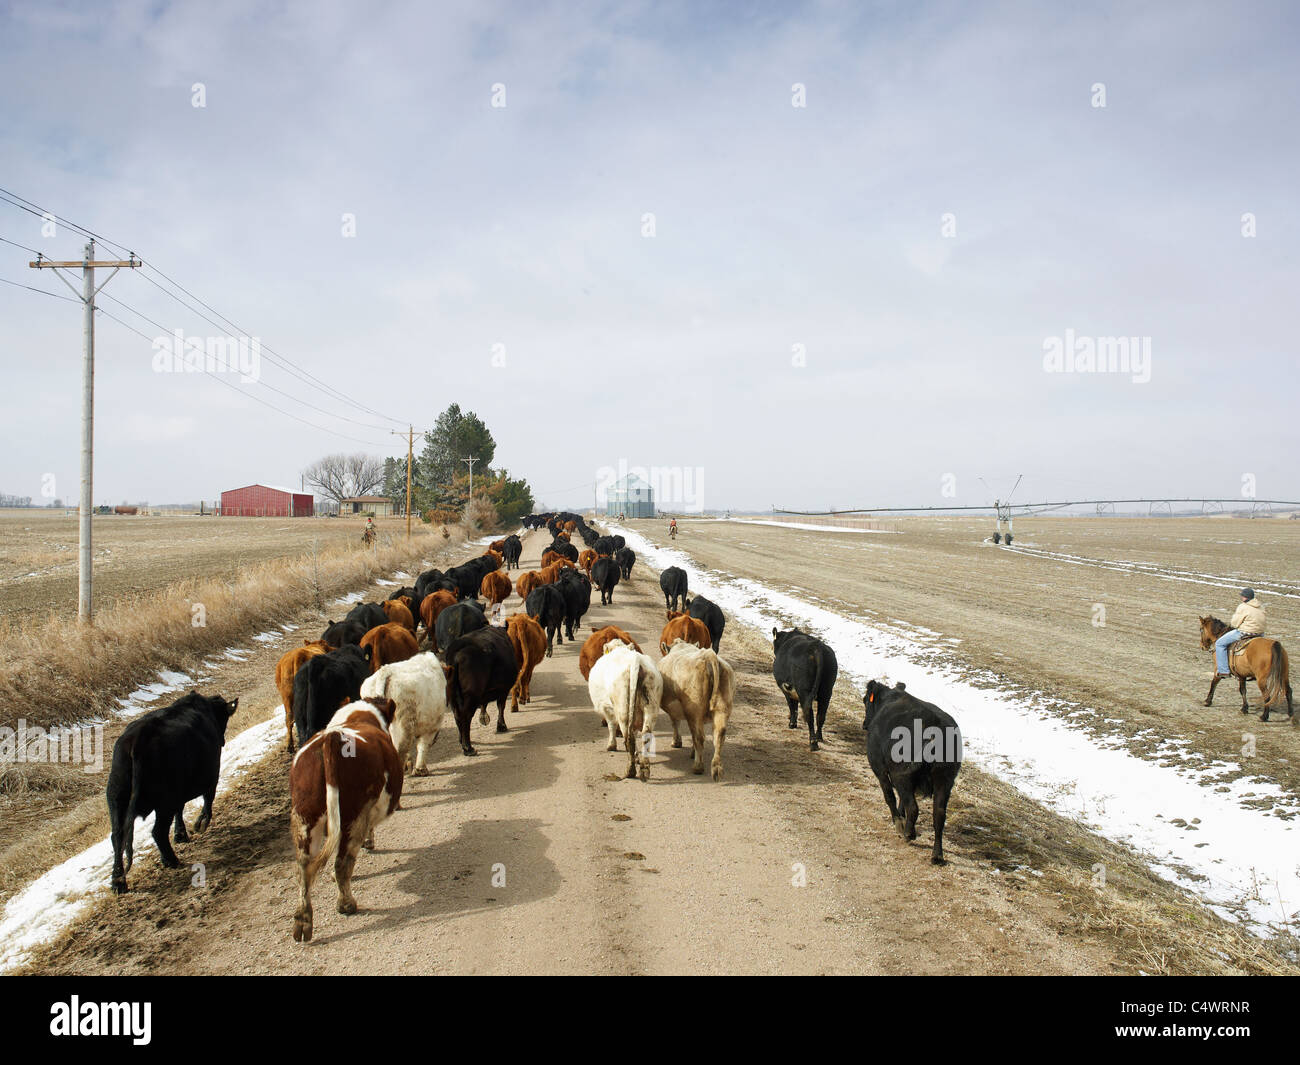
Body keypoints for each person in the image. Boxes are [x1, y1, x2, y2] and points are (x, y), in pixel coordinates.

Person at [1215, 587, 1265, 677]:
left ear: (1245, 597)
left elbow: (1234, 623)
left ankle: (1223, 671)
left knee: (1219, 643)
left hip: (1245, 632)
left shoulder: (1243, 606)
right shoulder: (1261, 606)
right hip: (1260, 634)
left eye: (1242, 596)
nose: (1241, 597)